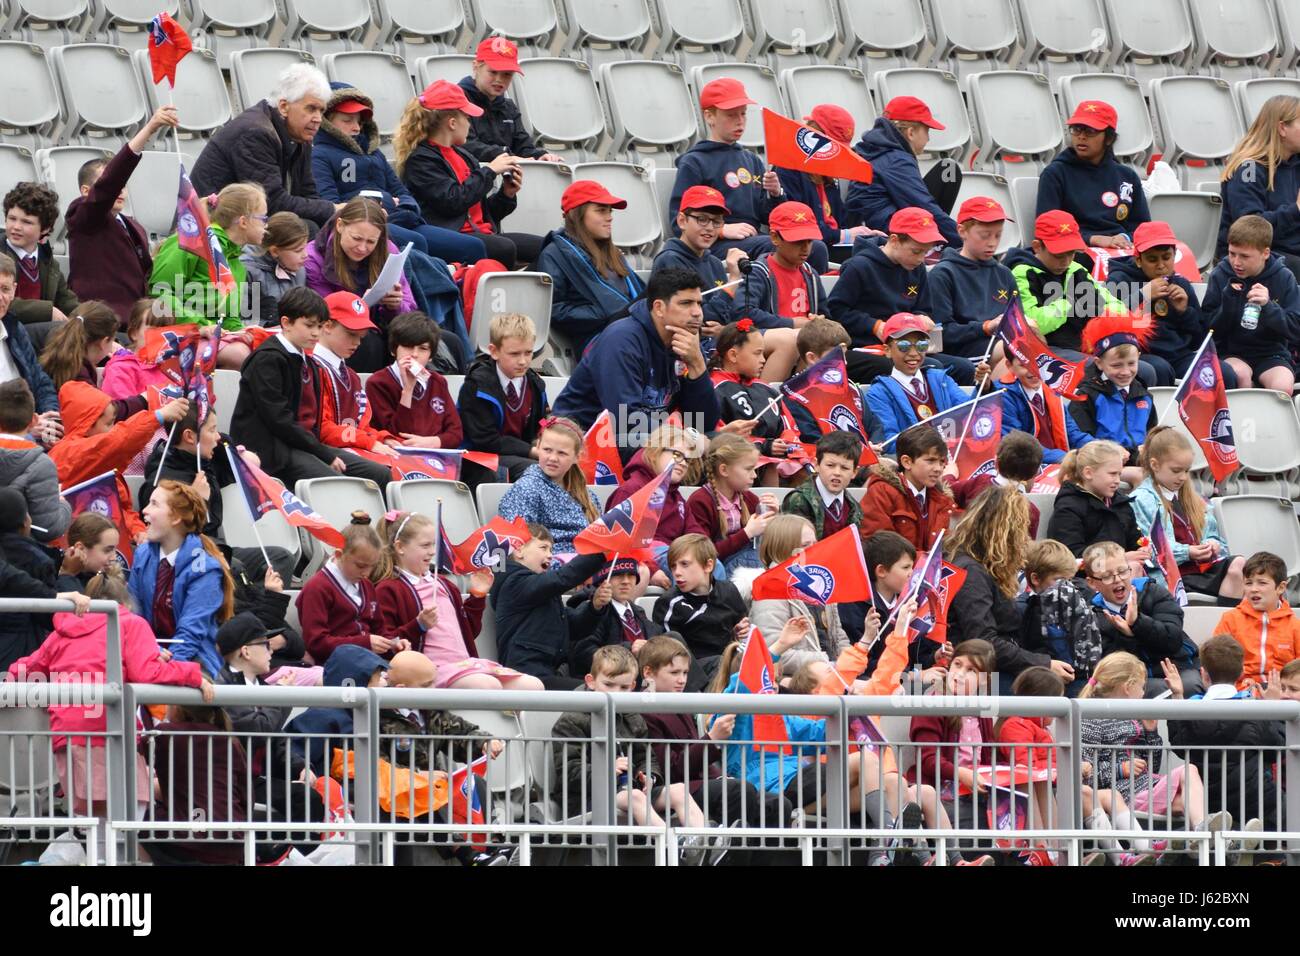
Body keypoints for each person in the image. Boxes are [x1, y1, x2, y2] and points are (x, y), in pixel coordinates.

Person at [6, 567, 206, 857]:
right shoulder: (129, 623)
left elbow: (26, 670)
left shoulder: (62, 633)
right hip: (107, 735)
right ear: (125, 601)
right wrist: (193, 674)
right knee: (126, 816)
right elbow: (147, 672)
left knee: (98, 823)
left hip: (69, 738)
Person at [551, 645, 721, 863]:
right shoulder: (571, 721)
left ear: (633, 686)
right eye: (608, 685)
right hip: (588, 798)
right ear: (590, 681)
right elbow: (569, 772)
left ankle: (704, 843)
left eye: (623, 687)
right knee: (635, 797)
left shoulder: (631, 716)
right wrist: (606, 770)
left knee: (677, 791)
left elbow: (645, 756)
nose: (616, 693)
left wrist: (648, 774)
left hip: (629, 790)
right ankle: (674, 849)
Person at [228, 286, 391, 488]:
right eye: (309, 325)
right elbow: (279, 420)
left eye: (319, 326)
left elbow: (311, 423)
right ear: (286, 323)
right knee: (339, 485)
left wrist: (321, 450)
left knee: (381, 474)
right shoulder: (267, 359)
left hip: (300, 445)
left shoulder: (306, 359)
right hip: (270, 449)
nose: (316, 333)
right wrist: (323, 453)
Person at [311, 81, 487, 265]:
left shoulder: (374, 153)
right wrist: (385, 203)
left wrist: (405, 210)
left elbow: (402, 192)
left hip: (398, 219)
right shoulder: (320, 155)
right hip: (366, 226)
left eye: (359, 121)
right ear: (327, 122)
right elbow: (332, 205)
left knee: (474, 247)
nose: (356, 127)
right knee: (416, 242)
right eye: (347, 120)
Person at [638, 635, 794, 837]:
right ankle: (730, 856)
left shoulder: (679, 704)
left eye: (685, 672)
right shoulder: (642, 711)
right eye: (674, 672)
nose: (682, 680)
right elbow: (672, 769)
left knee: (777, 803)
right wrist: (712, 739)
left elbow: (697, 761)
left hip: (697, 784)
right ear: (648, 672)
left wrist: (719, 776)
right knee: (738, 789)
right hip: (670, 788)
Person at [373, 511, 541, 692]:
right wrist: (419, 625)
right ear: (400, 547)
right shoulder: (388, 588)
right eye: (425, 545)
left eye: (434, 545)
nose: (432, 551)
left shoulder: (444, 583)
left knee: (533, 686)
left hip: (464, 665)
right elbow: (387, 643)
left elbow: (468, 632)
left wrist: (477, 596)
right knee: (487, 686)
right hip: (429, 670)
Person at [551, 267, 722, 442]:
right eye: (686, 303)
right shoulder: (621, 340)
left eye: (699, 303)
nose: (697, 312)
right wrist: (685, 437)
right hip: (585, 439)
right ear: (659, 308)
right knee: (694, 449)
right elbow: (624, 421)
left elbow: (704, 424)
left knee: (721, 447)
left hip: (646, 436)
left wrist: (697, 365)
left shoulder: (688, 343)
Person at [139, 402, 297, 587]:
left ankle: (260, 612)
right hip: (188, 556)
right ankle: (248, 611)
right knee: (234, 568)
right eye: (212, 430)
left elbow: (248, 464)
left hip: (216, 548)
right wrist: (196, 499)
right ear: (189, 436)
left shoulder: (206, 462)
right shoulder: (162, 480)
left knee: (280, 558)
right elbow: (169, 538)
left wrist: (222, 445)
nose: (217, 437)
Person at [1080, 651, 1226, 848]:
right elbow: (1085, 774)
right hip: (1123, 796)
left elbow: (1152, 767)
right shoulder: (1090, 717)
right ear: (1127, 687)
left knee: (1186, 802)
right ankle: (1210, 838)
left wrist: (1151, 733)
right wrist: (1120, 768)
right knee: (1189, 770)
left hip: (1146, 789)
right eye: (1141, 688)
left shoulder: (1135, 715)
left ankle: (1204, 839)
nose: (1143, 694)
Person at [394, 79, 538, 270]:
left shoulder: (464, 155)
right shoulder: (420, 159)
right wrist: (489, 171)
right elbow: (452, 202)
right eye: (468, 118)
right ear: (452, 123)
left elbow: (484, 214)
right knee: (504, 248)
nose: (470, 124)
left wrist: (506, 195)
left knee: (548, 247)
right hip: (453, 237)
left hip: (483, 234)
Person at [830, 207, 975, 386]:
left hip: (908, 345)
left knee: (965, 368)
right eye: (916, 251)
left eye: (926, 252)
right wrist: (874, 326)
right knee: (932, 367)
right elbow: (836, 310)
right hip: (868, 346)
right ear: (894, 240)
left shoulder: (917, 269)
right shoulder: (859, 267)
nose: (921, 258)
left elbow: (924, 308)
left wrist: (922, 319)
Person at [1165, 638, 1276, 858]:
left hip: (1208, 801)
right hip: (1255, 802)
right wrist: (1273, 708)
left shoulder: (1189, 710)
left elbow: (1179, 746)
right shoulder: (1257, 709)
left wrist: (1177, 697)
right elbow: (1274, 748)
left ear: (1203, 674)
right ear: (1242, 672)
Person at [191, 63, 338, 228]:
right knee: (305, 229)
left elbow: (308, 193)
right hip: (212, 227)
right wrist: (332, 208)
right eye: (311, 109)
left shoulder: (299, 134)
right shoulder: (254, 132)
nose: (318, 118)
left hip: (246, 222)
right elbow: (272, 203)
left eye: (321, 111)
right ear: (283, 107)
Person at [65, 106, 177, 323]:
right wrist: (150, 128)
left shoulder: (133, 226)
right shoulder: (83, 216)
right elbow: (110, 182)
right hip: (100, 324)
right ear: (86, 191)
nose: (120, 190)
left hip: (135, 321)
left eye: (124, 186)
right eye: (115, 185)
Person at [668, 77, 795, 266]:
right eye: (731, 115)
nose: (740, 121)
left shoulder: (751, 159)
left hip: (754, 239)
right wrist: (722, 230)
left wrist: (776, 194)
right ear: (709, 116)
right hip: (716, 244)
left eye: (743, 114)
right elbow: (678, 221)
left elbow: (767, 217)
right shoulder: (695, 161)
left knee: (812, 246)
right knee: (781, 248)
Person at [49, 379, 188, 548]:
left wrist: (137, 531)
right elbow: (118, 440)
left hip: (105, 547)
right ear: (86, 427)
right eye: (108, 424)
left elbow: (121, 511)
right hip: (74, 549)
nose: (113, 429)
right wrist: (157, 416)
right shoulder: (69, 452)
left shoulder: (103, 464)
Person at [946, 486, 1062, 683]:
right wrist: (1044, 664)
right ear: (1005, 532)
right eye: (1021, 530)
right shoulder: (971, 571)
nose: (1025, 539)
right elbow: (984, 642)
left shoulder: (981, 564)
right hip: (981, 676)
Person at [150, 181, 266, 366]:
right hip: (177, 332)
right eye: (263, 219)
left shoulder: (236, 263)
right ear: (243, 221)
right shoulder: (189, 242)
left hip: (211, 336)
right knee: (239, 355)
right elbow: (160, 292)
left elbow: (228, 316)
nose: (266, 226)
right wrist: (201, 325)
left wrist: (240, 332)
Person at [129, 479, 236, 677]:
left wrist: (163, 670)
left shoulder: (205, 568)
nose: (144, 510)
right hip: (149, 657)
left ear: (176, 517)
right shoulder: (142, 555)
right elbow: (134, 619)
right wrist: (151, 654)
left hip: (194, 662)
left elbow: (191, 634)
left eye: (154, 504)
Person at [303, 196, 416, 373]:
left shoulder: (388, 250)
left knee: (439, 340)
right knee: (369, 343)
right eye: (356, 238)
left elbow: (410, 309)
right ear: (340, 226)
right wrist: (359, 307)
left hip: (381, 326)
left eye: (371, 242)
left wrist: (394, 305)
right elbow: (325, 313)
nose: (362, 248)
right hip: (339, 331)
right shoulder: (313, 258)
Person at [1131, 427, 1245, 602]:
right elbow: (1150, 551)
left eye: (1187, 470)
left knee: (1239, 565)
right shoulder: (1141, 499)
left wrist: (1212, 545)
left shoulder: (1195, 499)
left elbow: (1214, 536)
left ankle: (1226, 624)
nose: (1183, 477)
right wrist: (1188, 552)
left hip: (1202, 569)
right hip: (1169, 576)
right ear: (1155, 465)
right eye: (1176, 471)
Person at [1006, 210, 1135, 361]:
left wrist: (1101, 311)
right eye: (1058, 255)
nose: (1066, 261)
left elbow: (1117, 307)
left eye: (1071, 253)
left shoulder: (1076, 269)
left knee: (1146, 370)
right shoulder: (1022, 273)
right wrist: (1069, 303)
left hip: (1085, 346)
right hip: (1046, 349)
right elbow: (1031, 324)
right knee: (1099, 369)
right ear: (1037, 247)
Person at [489, 523, 606, 689]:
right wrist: (600, 551)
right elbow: (562, 578)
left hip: (551, 673)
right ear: (519, 550)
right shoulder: (514, 583)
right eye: (543, 548)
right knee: (597, 695)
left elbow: (574, 627)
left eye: (551, 550)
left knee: (607, 691)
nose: (550, 555)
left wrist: (595, 608)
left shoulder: (539, 589)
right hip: (527, 675)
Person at [536, 180, 646, 355]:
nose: (609, 216)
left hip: (629, 333)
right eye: (601, 210)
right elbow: (553, 310)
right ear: (576, 215)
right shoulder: (554, 254)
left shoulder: (613, 254)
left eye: (610, 211)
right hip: (597, 341)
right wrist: (602, 312)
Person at [733, 514, 850, 677]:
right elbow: (774, 653)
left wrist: (849, 660)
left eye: (815, 543)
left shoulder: (821, 584)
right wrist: (828, 663)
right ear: (784, 549)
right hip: (795, 684)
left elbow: (838, 637)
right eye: (805, 545)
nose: (814, 549)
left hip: (831, 676)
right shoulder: (770, 592)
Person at [1105, 220, 1218, 387]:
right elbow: (1107, 323)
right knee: (1160, 369)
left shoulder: (1181, 283)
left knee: (1219, 370)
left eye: (1166, 257)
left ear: (1174, 255)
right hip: (1139, 355)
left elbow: (1199, 341)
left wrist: (1184, 312)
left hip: (1179, 356)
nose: (1161, 265)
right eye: (1152, 260)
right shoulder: (1119, 280)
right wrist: (1143, 295)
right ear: (1138, 260)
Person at [1081, 540, 1199, 694]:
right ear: (1091, 583)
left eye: (1122, 571)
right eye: (1107, 576)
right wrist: (1127, 637)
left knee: (1190, 686)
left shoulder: (1154, 592)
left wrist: (1138, 623)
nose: (1118, 580)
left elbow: (1173, 639)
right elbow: (1109, 667)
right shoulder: (1091, 615)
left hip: (1178, 667)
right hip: (1132, 681)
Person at [845, 95, 961, 247]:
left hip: (870, 227)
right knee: (948, 171)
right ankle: (936, 245)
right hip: (885, 235)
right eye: (927, 131)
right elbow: (923, 205)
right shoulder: (897, 160)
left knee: (949, 170)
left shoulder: (878, 149)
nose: (928, 139)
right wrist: (966, 241)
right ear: (911, 133)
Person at [1203, 213, 1300, 394]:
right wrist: (1229, 302)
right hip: (1230, 351)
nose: (1236, 262)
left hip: (1271, 352)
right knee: (1240, 376)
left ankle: (1271, 423)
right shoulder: (1220, 274)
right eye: (1232, 254)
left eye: (1245, 256)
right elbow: (1208, 328)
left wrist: (1269, 307)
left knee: (1283, 385)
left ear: (1265, 253)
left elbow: (1296, 328)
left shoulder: (1283, 276)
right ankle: (1240, 421)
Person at [731, 201, 828, 380]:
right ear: (775, 238)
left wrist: (818, 320)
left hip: (802, 342)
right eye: (798, 241)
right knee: (792, 339)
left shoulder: (810, 273)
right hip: (764, 342)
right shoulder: (759, 271)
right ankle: (765, 396)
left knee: (825, 341)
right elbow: (742, 312)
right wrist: (792, 323)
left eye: (809, 241)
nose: (806, 248)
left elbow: (824, 311)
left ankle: (802, 398)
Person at [1035, 100, 1150, 252]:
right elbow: (1047, 229)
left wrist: (1125, 237)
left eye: (1090, 131)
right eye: (1076, 129)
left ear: (1109, 138)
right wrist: (1093, 239)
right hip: (1074, 252)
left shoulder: (1127, 176)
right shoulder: (1055, 173)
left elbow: (1143, 227)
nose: (1081, 137)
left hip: (1122, 249)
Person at [295, 513, 408, 664]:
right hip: (336, 666)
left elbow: (379, 630)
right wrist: (365, 643)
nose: (367, 573)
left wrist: (393, 644)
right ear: (339, 554)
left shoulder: (366, 585)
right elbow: (317, 644)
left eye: (372, 567)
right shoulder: (317, 588)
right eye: (361, 566)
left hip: (368, 661)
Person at [774, 104, 879, 263]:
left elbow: (841, 222)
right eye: (834, 146)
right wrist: (846, 235)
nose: (837, 154)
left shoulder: (826, 173)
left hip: (832, 245)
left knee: (879, 246)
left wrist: (861, 234)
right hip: (810, 249)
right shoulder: (788, 169)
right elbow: (799, 228)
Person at [310, 291, 402, 461]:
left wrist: (383, 438)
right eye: (351, 334)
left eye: (362, 336)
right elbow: (321, 428)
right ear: (328, 326)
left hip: (349, 449)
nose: (357, 343)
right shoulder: (310, 367)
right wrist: (369, 443)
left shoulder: (351, 376)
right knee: (382, 473)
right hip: (321, 453)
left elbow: (362, 425)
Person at [457, 311, 548, 482]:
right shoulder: (477, 385)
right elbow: (486, 441)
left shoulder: (535, 384)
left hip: (523, 454)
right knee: (535, 470)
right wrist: (532, 451)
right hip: (480, 459)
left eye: (528, 353)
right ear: (494, 351)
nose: (523, 361)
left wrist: (547, 437)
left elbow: (541, 422)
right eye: (514, 354)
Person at [864, 313, 976, 448]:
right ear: (887, 350)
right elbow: (890, 443)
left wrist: (985, 387)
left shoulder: (941, 379)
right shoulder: (879, 393)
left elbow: (970, 413)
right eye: (904, 346)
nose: (913, 353)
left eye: (921, 345)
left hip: (952, 458)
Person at [927, 197, 1017, 362]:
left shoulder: (1004, 274)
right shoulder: (943, 274)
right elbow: (942, 333)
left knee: (1033, 346)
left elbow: (1017, 320)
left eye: (998, 235)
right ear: (962, 231)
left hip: (1000, 344)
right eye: (985, 235)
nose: (992, 243)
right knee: (1013, 352)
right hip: (961, 351)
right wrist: (985, 327)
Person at [653, 534, 748, 688]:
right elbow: (667, 652)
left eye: (684, 564)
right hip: (691, 672)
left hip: (728, 663)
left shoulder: (728, 590)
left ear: (708, 566)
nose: (677, 572)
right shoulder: (669, 602)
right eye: (673, 566)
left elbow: (741, 631)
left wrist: (739, 632)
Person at [1069, 313, 1157, 479]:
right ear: (1099, 363)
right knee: (1142, 476)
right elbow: (1080, 442)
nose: (1125, 372)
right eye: (1116, 365)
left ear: (1138, 358)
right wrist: (1109, 451)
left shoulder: (1144, 396)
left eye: (1131, 364)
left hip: (1140, 463)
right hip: (1101, 468)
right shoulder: (1086, 396)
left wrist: (1150, 448)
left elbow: (1152, 432)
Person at [1217, 94, 1300, 268]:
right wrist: (1296, 210)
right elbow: (1249, 231)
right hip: (1255, 259)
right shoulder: (1249, 169)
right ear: (1282, 128)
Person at [497, 415, 600, 555]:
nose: (553, 458)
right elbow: (517, 546)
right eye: (547, 450)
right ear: (537, 447)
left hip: (588, 563)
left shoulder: (588, 496)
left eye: (562, 453)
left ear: (577, 457)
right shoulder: (526, 489)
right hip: (550, 568)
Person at [606, 422, 692, 583]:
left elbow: (695, 533)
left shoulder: (678, 498)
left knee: (710, 563)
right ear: (655, 453)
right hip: (647, 556)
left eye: (687, 459)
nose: (683, 463)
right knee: (684, 565)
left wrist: (703, 551)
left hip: (675, 552)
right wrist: (652, 571)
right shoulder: (631, 490)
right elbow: (619, 542)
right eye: (676, 455)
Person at [364, 310, 462, 450]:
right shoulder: (378, 383)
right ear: (394, 350)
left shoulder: (437, 382)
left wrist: (433, 442)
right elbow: (395, 434)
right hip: (398, 457)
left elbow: (456, 433)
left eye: (423, 349)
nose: (414, 354)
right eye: (408, 346)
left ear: (430, 356)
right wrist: (408, 390)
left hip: (435, 455)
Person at [653, 185, 744, 332]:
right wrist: (732, 282)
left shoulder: (714, 262)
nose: (709, 227)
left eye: (716, 221)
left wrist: (724, 330)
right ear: (682, 221)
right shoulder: (670, 260)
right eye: (702, 219)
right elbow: (694, 320)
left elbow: (726, 315)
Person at [458, 37, 563, 164]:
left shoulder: (508, 107)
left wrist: (539, 156)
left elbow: (523, 146)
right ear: (475, 67)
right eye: (493, 72)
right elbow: (465, 145)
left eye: (507, 74)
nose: (499, 79)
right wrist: (505, 154)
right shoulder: (458, 102)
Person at [685, 432, 775, 575]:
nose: (754, 475)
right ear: (724, 470)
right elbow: (704, 555)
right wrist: (747, 533)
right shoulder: (700, 501)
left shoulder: (749, 498)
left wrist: (773, 517)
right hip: (718, 572)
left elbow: (768, 546)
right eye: (748, 469)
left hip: (749, 567)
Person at [40, 303, 146, 423]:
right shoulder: (78, 372)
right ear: (104, 342)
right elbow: (104, 412)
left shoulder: (60, 356)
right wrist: (144, 399)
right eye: (112, 340)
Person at [858, 424, 954, 552]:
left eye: (942, 462)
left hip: (929, 569)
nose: (938, 468)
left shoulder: (941, 499)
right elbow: (880, 549)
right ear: (907, 462)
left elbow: (944, 549)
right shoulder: (882, 492)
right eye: (930, 461)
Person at [1045, 440, 1145, 561]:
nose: (1118, 480)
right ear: (1088, 473)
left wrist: (1142, 548)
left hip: (1122, 574)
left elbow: (1134, 540)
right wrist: (1119, 559)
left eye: (1119, 474)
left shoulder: (1120, 503)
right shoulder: (1068, 507)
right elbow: (1071, 557)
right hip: (1086, 578)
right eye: (1112, 474)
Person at [1213, 551, 1300, 690]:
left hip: (1283, 695)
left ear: (1281, 587)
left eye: (1262, 583)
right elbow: (1218, 663)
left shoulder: (1295, 626)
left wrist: (1281, 688)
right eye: (1248, 583)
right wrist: (1242, 683)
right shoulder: (1230, 619)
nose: (1254, 589)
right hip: (1240, 692)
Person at [708, 321, 785, 470]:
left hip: (779, 463)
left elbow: (789, 427)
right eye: (757, 353)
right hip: (732, 466)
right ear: (733, 355)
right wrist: (764, 446)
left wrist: (786, 442)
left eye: (763, 353)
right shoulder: (712, 389)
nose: (763, 359)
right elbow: (714, 438)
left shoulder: (766, 388)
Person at [568, 557, 664, 676]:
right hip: (609, 683)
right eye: (618, 575)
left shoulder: (638, 612)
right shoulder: (592, 611)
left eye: (631, 575)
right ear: (603, 581)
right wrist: (628, 649)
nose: (626, 581)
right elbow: (583, 655)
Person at [0, 378, 70, 540]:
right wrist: (63, 504)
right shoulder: (42, 465)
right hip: (21, 556)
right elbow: (48, 529)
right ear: (34, 421)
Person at [996, 350, 1093, 465]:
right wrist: (1067, 458)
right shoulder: (1003, 395)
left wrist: (1097, 448)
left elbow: (1072, 433)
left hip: (1059, 463)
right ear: (1009, 366)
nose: (1033, 371)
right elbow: (1019, 447)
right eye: (1023, 365)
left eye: (1038, 363)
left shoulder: (1051, 387)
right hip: (1026, 468)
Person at [1, 182, 77, 326]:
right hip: (7, 333)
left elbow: (68, 302)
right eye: (12, 218)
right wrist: (48, 311)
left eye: (26, 222)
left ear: (45, 228)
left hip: (37, 334)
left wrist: (93, 324)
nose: (16, 227)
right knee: (57, 329)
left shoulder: (48, 261)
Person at [949, 430, 1043, 538]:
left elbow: (948, 491)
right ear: (1034, 473)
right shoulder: (1032, 511)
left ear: (996, 463)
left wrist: (949, 475)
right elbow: (1026, 550)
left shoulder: (979, 483)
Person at [0, 257, 59, 416]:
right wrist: (28, 426)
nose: (0, 298)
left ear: (14, 291)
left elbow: (41, 382)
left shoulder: (15, 329)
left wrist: (51, 415)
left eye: (5, 289)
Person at [780, 431, 863, 540]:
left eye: (844, 468)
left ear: (854, 472)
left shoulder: (853, 506)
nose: (837, 472)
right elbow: (791, 546)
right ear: (816, 465)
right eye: (830, 465)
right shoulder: (799, 500)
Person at [100, 298, 173, 407]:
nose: (160, 336)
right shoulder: (120, 370)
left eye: (165, 331)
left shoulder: (175, 367)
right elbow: (123, 415)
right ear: (134, 333)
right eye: (153, 330)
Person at [241, 211, 309, 327]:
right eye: (298, 250)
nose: (305, 255)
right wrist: (267, 325)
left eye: (305, 247)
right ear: (275, 251)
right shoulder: (249, 271)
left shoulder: (299, 270)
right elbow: (240, 320)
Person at [55, 513, 119, 593]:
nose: (114, 558)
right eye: (107, 550)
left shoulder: (111, 582)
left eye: (114, 550)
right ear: (80, 548)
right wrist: (67, 576)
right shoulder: (50, 577)